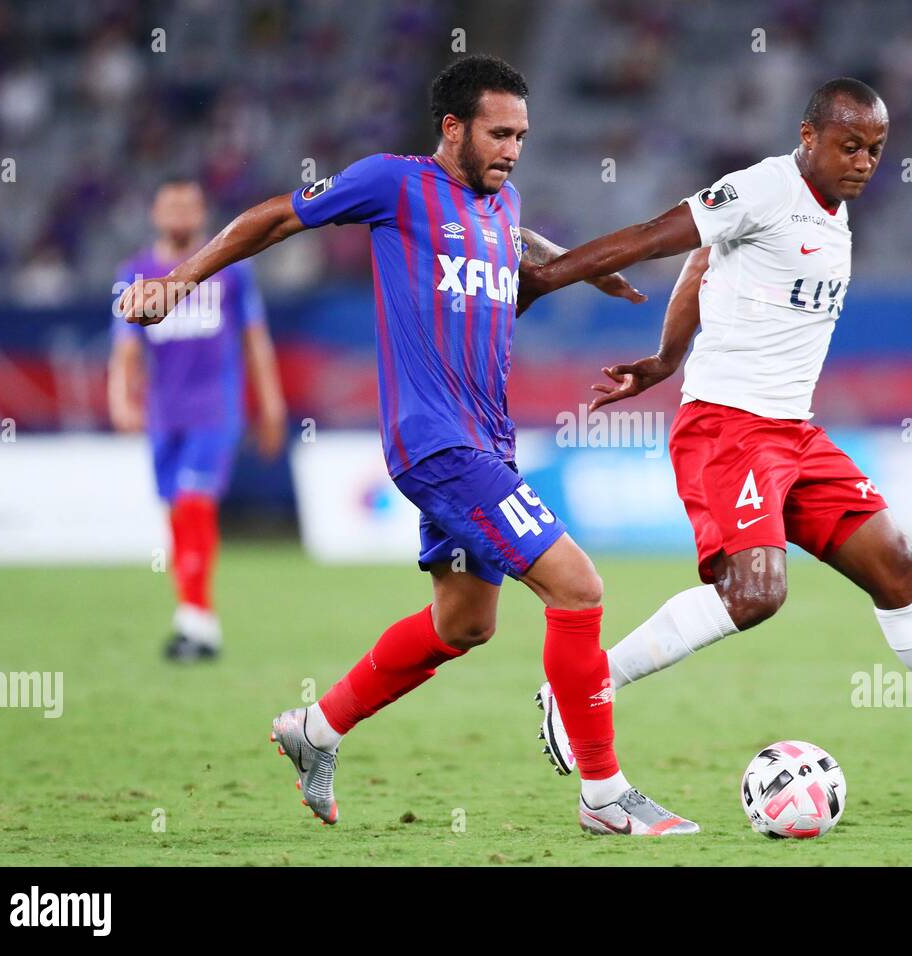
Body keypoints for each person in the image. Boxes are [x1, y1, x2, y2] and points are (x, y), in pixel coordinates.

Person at [116, 55, 697, 835]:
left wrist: (570, 268)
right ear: (452, 128)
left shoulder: (502, 199)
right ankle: (604, 795)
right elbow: (277, 217)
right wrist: (178, 283)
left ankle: (315, 730)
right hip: (436, 445)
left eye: (522, 136)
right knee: (579, 587)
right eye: (499, 133)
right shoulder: (392, 184)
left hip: (486, 443)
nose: (513, 150)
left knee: (464, 623)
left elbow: (510, 236)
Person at [524, 78, 912, 793]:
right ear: (808, 136)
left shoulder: (832, 214)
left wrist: (668, 358)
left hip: (794, 434)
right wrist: (546, 279)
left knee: (901, 568)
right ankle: (582, 690)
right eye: (849, 144)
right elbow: (655, 238)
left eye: (876, 150)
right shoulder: (763, 189)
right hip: (730, 429)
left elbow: (706, 264)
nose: (863, 161)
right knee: (756, 592)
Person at [109, 179, 286, 662]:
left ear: (203, 211)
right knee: (175, 514)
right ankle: (193, 618)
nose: (181, 213)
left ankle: (198, 621)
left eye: (190, 204)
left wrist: (269, 405)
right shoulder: (135, 274)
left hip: (215, 410)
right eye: (172, 204)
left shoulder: (229, 272)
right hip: (163, 416)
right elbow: (124, 348)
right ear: (155, 211)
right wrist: (121, 398)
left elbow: (255, 342)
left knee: (193, 503)